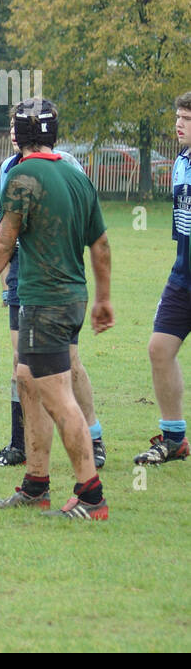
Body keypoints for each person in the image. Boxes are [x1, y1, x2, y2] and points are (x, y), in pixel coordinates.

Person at [0, 98, 113, 519]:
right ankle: (36, 484)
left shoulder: (21, 175)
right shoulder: (77, 176)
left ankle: (91, 496)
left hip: (43, 301)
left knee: (56, 396)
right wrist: (103, 299)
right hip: (72, 299)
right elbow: (101, 246)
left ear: (19, 134)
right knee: (26, 378)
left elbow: (3, 241)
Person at [139, 91, 191, 466]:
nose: (179, 124)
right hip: (182, 277)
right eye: (178, 117)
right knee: (159, 349)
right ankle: (174, 440)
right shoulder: (181, 163)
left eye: (187, 119)